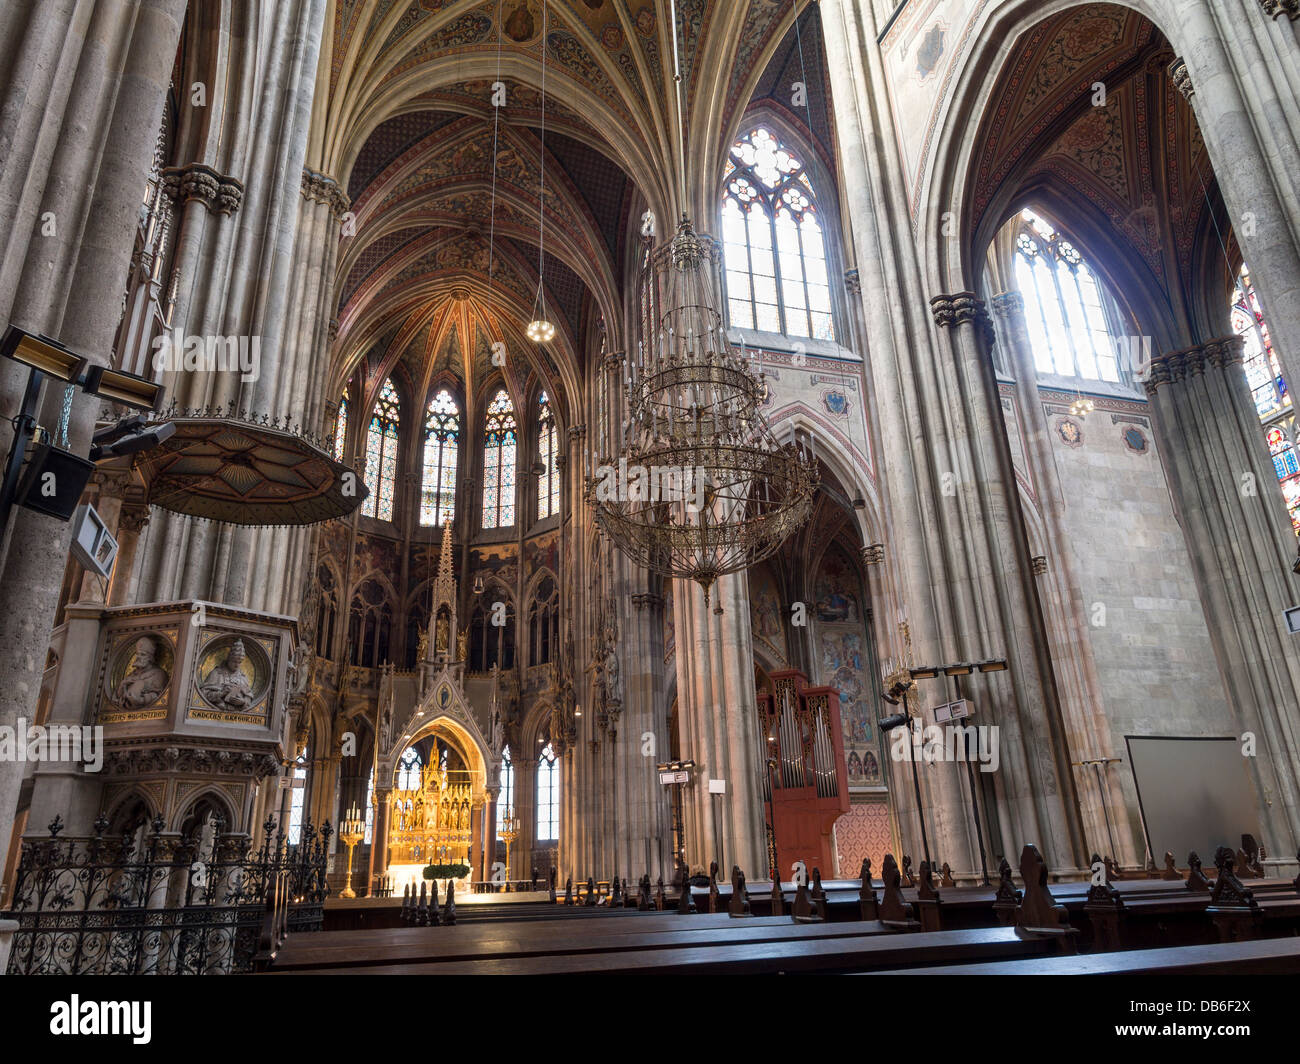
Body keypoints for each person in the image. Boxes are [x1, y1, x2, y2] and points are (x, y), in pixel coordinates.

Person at [113, 636, 168, 708]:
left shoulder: (158, 674)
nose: (138, 657)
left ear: (151, 658)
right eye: (137, 654)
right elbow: (118, 697)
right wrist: (122, 685)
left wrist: (141, 700)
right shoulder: (132, 675)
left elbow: (157, 694)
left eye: (143, 654)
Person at [200, 639, 254, 710]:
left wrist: (243, 702)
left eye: (239, 662)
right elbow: (204, 693)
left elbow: (249, 697)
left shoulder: (243, 678)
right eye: (234, 661)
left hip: (236, 715)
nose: (237, 665)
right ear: (229, 659)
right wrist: (221, 693)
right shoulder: (216, 673)